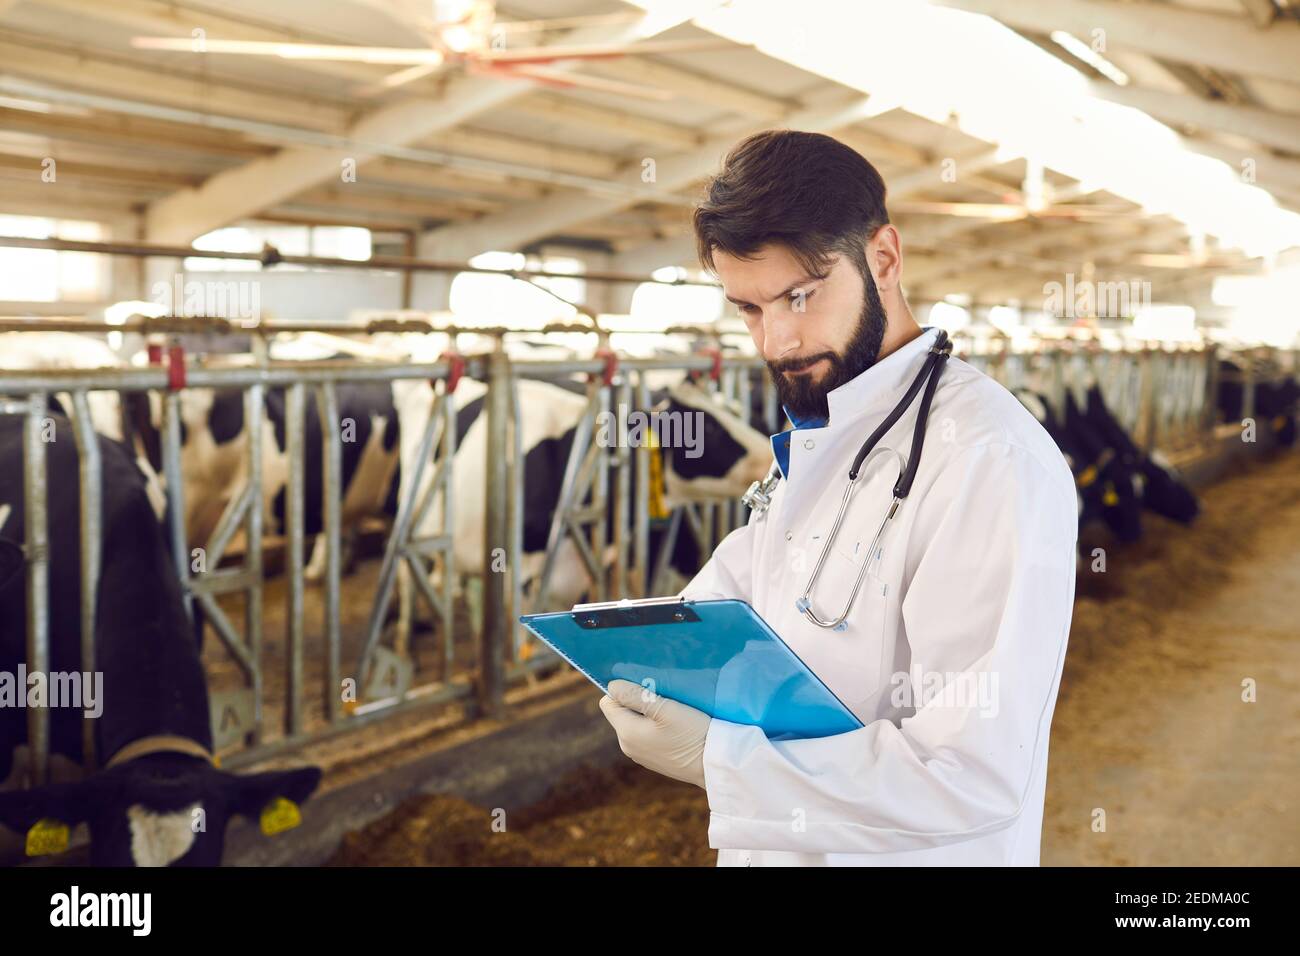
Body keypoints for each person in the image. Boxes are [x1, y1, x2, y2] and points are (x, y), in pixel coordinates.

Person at [599, 129, 1079, 866]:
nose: (777, 342)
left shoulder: (990, 460)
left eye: (799, 296)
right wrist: (646, 651)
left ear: (883, 259)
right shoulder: (824, 428)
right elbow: (745, 601)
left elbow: (970, 775)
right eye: (750, 310)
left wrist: (720, 764)